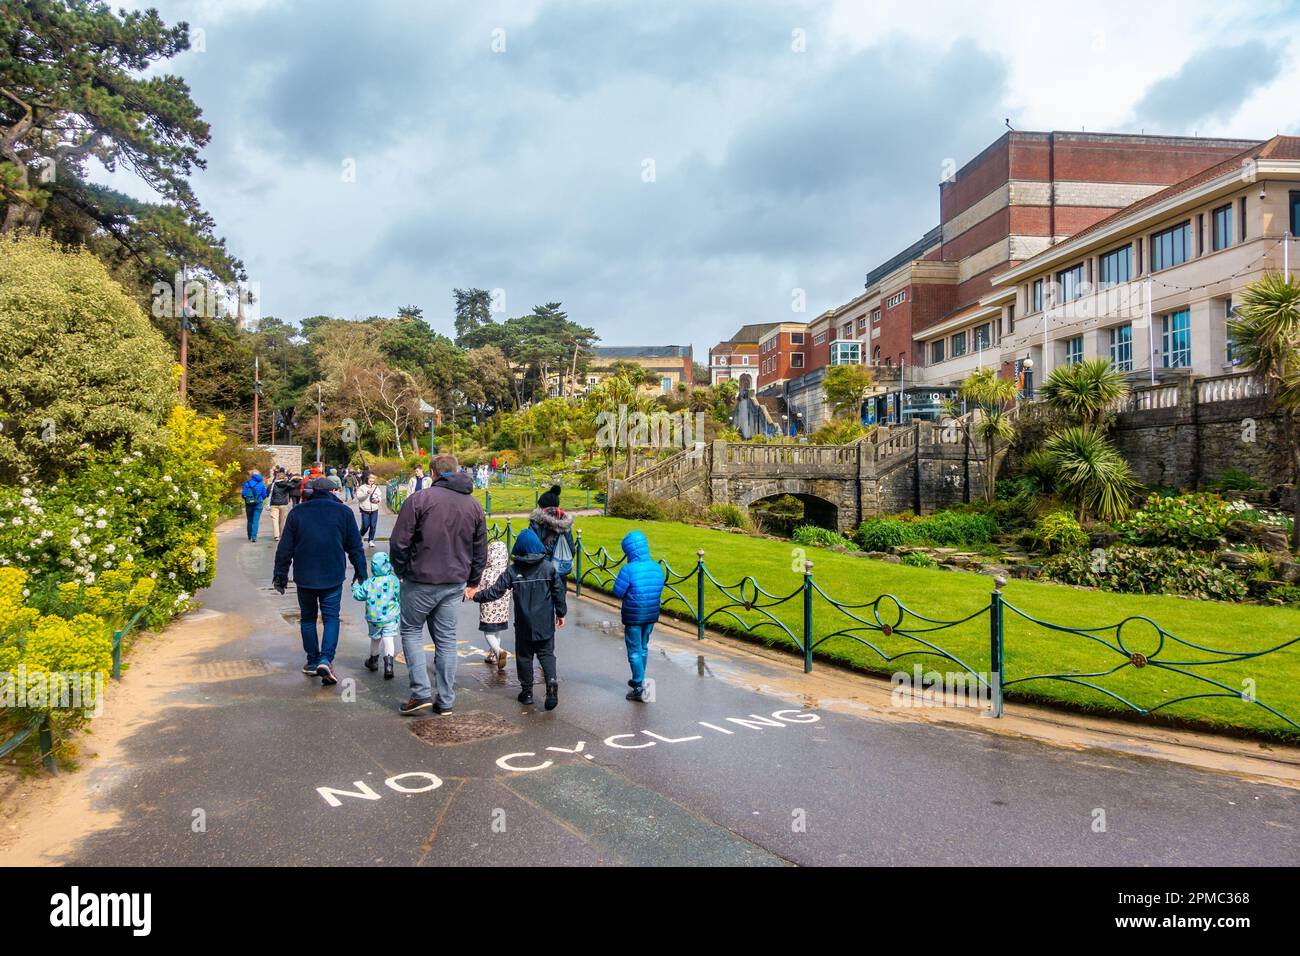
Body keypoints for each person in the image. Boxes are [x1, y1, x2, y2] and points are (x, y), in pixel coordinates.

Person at [389, 453, 487, 716]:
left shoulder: (420, 500)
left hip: (420, 578)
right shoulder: (474, 506)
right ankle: (445, 699)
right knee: (446, 640)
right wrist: (473, 581)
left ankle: (420, 692)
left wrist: (401, 570)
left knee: (410, 631)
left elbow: (399, 542)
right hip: (454, 581)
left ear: (433, 473)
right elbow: (480, 549)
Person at [273, 477, 368, 686]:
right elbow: (355, 547)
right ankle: (326, 659)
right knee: (331, 618)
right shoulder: (343, 513)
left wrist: (280, 575)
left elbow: (285, 548)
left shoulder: (297, 513)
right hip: (332, 573)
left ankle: (312, 660)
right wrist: (361, 572)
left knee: (307, 619)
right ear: (333, 491)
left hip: (305, 574)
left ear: (311, 491)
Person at [473, 528, 566, 710]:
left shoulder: (513, 571)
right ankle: (552, 681)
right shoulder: (548, 568)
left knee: (524, 657)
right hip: (545, 622)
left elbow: (495, 592)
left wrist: (476, 596)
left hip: (524, 623)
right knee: (547, 654)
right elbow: (559, 592)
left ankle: (527, 692)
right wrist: (561, 613)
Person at [611, 529, 664, 702]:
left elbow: (617, 592)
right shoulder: (657, 568)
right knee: (643, 647)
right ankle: (641, 680)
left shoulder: (628, 570)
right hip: (651, 614)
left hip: (633, 615)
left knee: (633, 650)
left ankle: (638, 685)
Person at [351, 550, 399, 680]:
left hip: (374, 618)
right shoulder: (394, 581)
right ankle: (389, 665)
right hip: (390, 617)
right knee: (389, 638)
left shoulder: (369, 582)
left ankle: (373, 660)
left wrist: (355, 586)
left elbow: (359, 595)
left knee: (375, 639)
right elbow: (400, 596)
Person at [476, 540, 511, 670]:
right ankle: (493, 655)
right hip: (502, 609)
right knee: (496, 633)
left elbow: (479, 588)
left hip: (488, 609)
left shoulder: (486, 572)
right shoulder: (507, 572)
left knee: (488, 633)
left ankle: (498, 651)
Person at [528, 505, 575, 578]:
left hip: (540, 569)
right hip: (559, 569)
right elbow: (571, 550)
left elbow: (530, 548)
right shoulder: (565, 523)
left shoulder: (536, 522)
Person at [240, 469, 267, 542]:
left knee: (249, 520)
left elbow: (243, 494)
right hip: (258, 504)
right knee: (256, 520)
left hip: (249, 504)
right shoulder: (262, 484)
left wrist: (247, 499)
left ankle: (249, 535)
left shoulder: (247, 483)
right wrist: (259, 499)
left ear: (251, 475)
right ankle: (254, 537)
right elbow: (264, 495)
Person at [267, 468, 294, 541]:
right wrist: (287, 480)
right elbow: (292, 486)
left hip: (274, 504)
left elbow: (267, 493)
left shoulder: (272, 485)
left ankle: (276, 536)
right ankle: (282, 534)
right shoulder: (286, 485)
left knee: (275, 519)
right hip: (283, 504)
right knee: (283, 520)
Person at [357, 473, 383, 546]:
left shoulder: (376, 488)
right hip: (365, 509)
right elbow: (359, 498)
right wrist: (366, 493)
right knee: (365, 526)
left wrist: (378, 500)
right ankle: (360, 536)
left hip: (374, 509)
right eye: (370, 481)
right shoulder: (362, 488)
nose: (372, 482)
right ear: (367, 480)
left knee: (373, 525)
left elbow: (380, 496)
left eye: (373, 481)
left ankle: (371, 540)